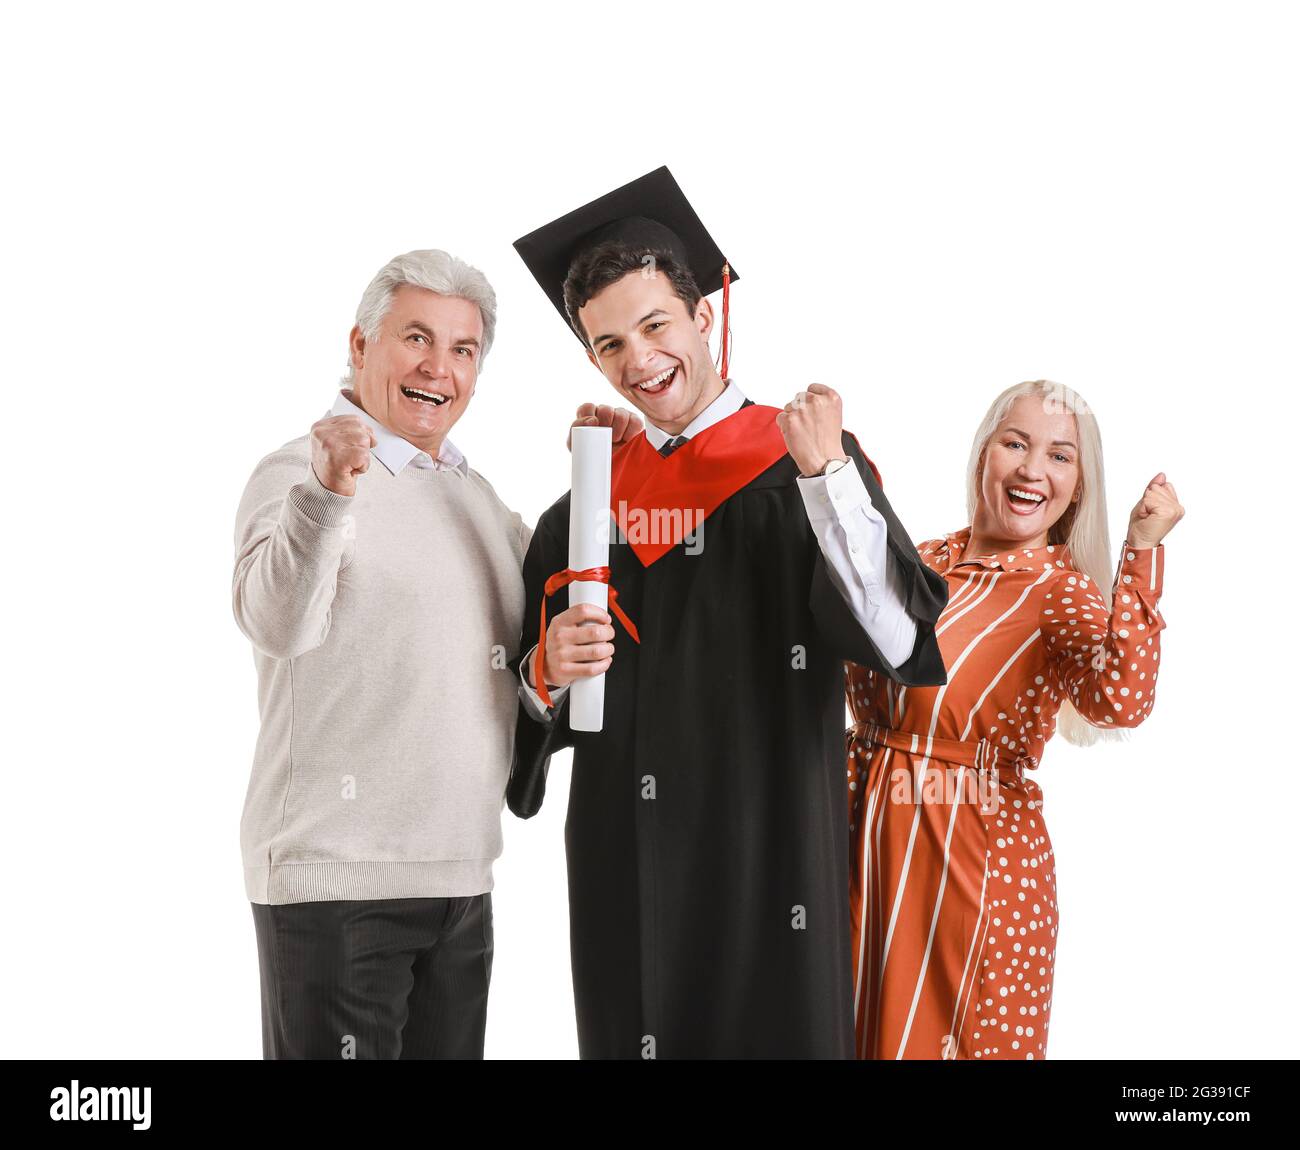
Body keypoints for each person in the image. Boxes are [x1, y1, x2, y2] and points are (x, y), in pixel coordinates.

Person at [506, 167, 949, 1059]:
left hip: (770, 848)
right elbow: (520, 721)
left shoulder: (802, 469)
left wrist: (830, 480)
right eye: (607, 344)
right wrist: (540, 672)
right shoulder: (581, 513)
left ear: (704, 314)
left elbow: (899, 642)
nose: (637, 359)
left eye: (655, 324)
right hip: (624, 860)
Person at [231, 250, 525, 1059]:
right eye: (416, 339)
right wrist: (329, 493)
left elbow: (531, 667)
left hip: (462, 880)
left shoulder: (479, 500)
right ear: (360, 348)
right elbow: (277, 623)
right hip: (336, 888)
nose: (440, 368)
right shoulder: (297, 471)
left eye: (464, 350)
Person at [846, 378, 1183, 1060]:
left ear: (1078, 488)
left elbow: (1123, 699)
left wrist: (1142, 548)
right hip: (864, 838)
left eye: (1061, 456)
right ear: (983, 455)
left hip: (971, 861)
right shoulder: (928, 559)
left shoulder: (1057, 591)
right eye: (1016, 443)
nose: (1033, 469)